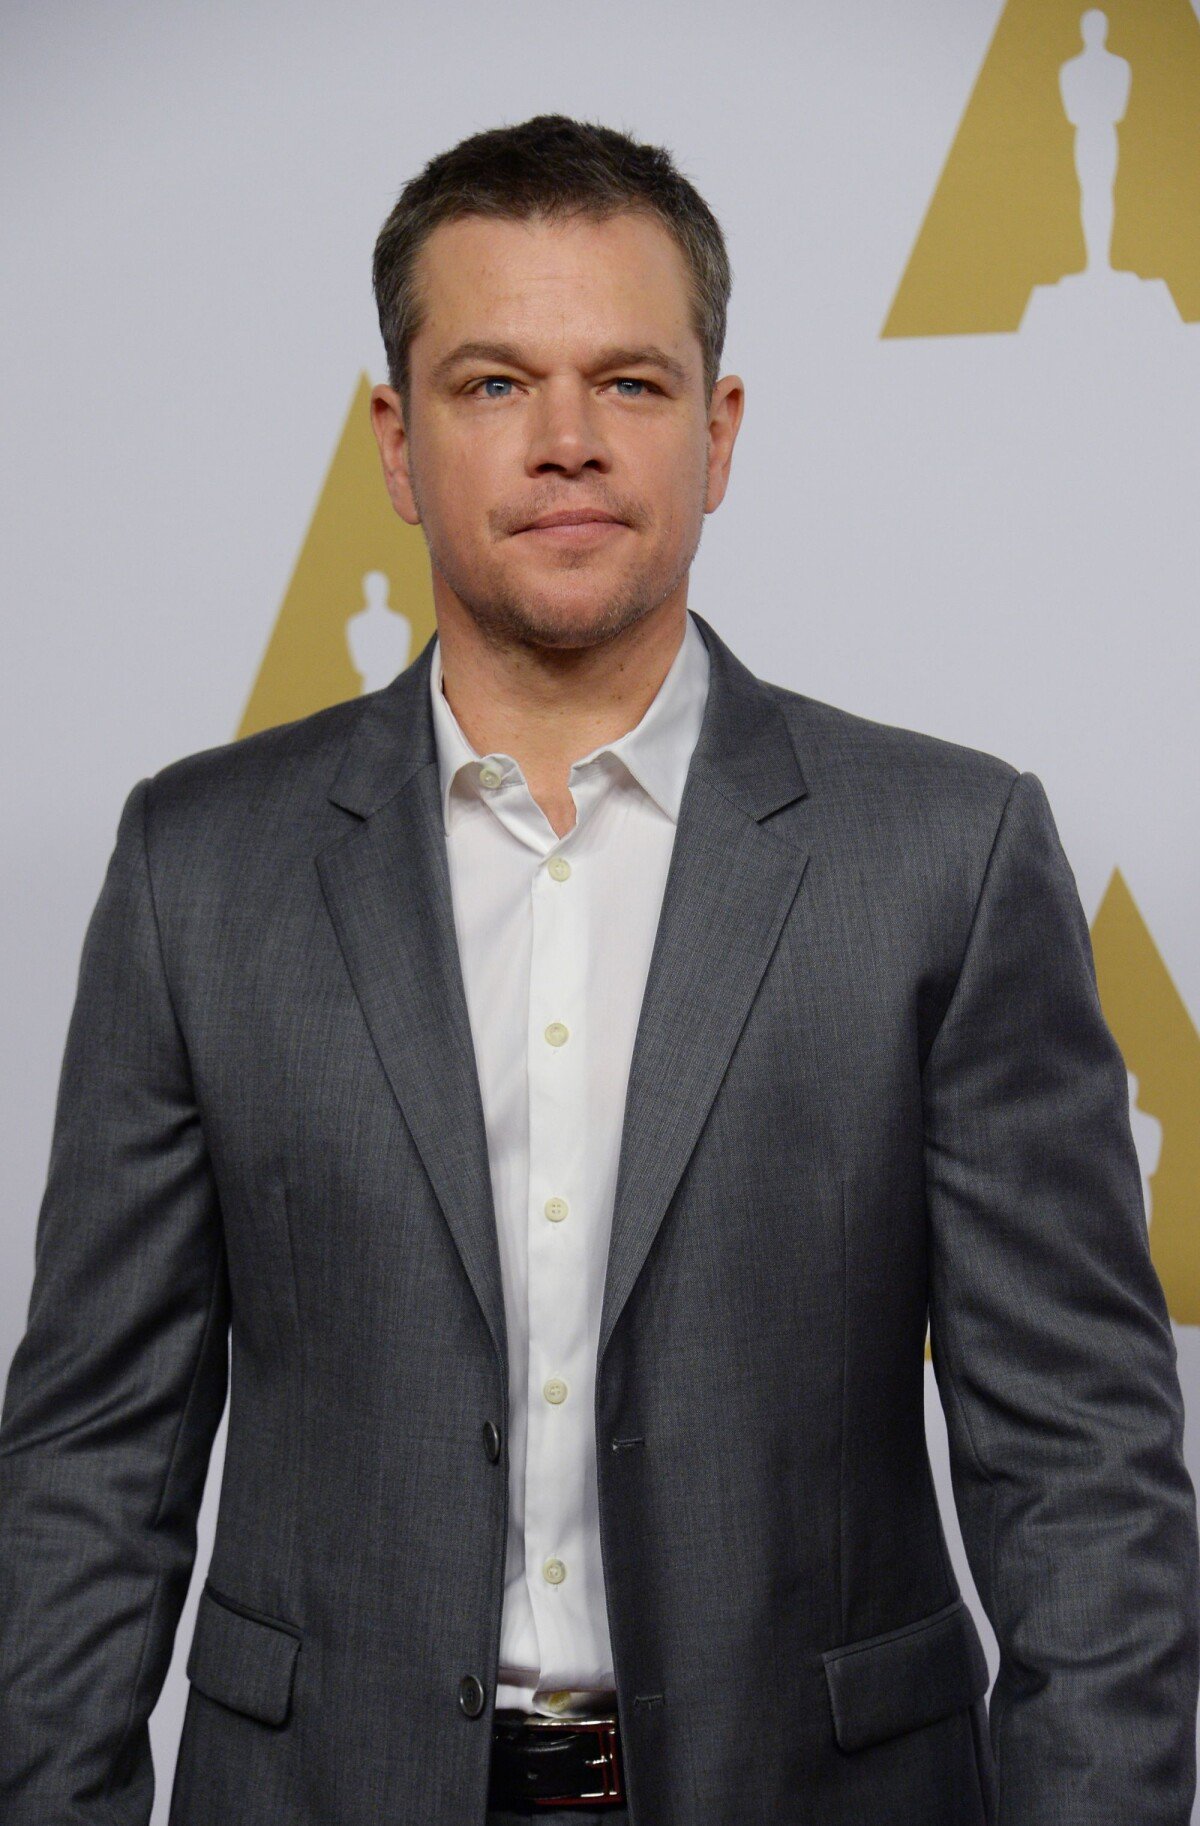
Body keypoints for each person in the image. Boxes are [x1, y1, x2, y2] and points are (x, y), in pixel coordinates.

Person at [0, 112, 1195, 1826]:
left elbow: (1083, 1470)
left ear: (718, 433)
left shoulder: (948, 851)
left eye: (629, 383)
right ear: (397, 443)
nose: (566, 441)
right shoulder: (201, 868)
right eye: (495, 384)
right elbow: (90, 1464)